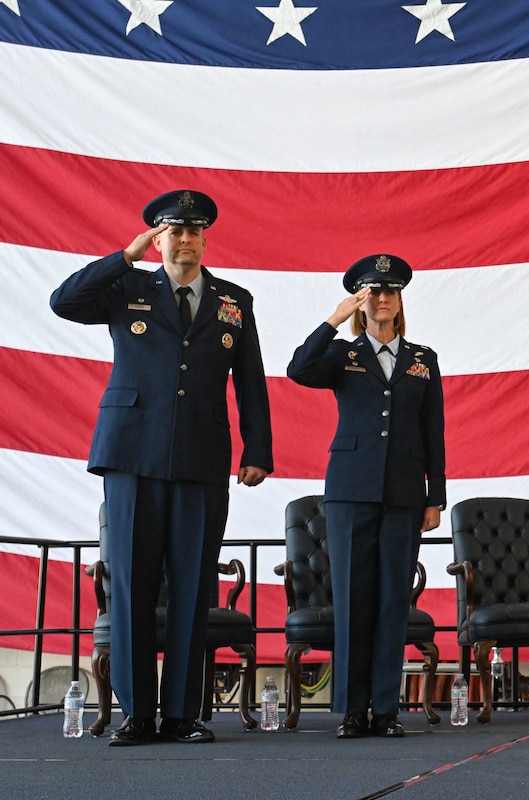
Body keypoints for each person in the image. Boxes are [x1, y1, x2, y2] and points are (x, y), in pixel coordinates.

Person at [49, 190, 273, 745]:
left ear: (205, 239)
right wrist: (123, 257)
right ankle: (136, 715)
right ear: (157, 238)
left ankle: (181, 715)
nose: (185, 240)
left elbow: (250, 381)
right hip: (132, 454)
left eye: (194, 231)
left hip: (201, 458)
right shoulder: (127, 286)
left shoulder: (233, 300)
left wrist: (257, 450)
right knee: (132, 588)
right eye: (174, 230)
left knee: (193, 588)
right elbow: (63, 302)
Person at [287, 254, 447, 739]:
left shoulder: (423, 360)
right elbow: (299, 369)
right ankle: (353, 711)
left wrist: (434, 496)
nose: (382, 299)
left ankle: (385, 709)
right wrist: (333, 320)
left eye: (390, 291)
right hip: (351, 492)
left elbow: (433, 432)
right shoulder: (343, 354)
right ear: (361, 300)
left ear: (400, 301)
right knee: (354, 600)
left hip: (403, 494)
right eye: (372, 292)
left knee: (391, 601)